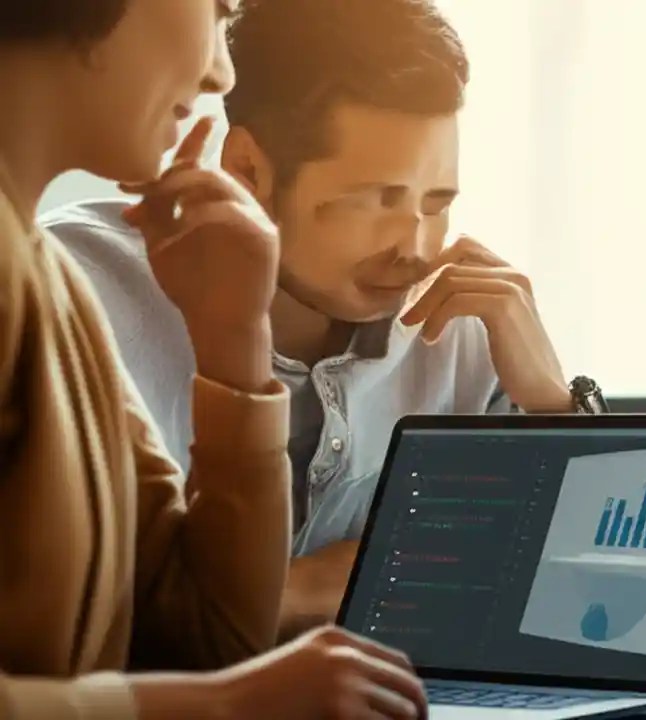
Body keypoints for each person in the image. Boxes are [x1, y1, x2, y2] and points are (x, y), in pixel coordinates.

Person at [45, 0, 584, 640]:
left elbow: (588, 601)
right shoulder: (73, 289)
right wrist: (311, 587)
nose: (414, 245)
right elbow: (56, 610)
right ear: (247, 170)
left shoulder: (466, 329)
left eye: (436, 204)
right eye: (377, 201)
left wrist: (555, 404)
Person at [0, 1, 429, 718]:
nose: (218, 70)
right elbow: (219, 680)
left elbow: (210, 636)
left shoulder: (51, 280)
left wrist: (235, 343)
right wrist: (220, 706)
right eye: (215, 8)